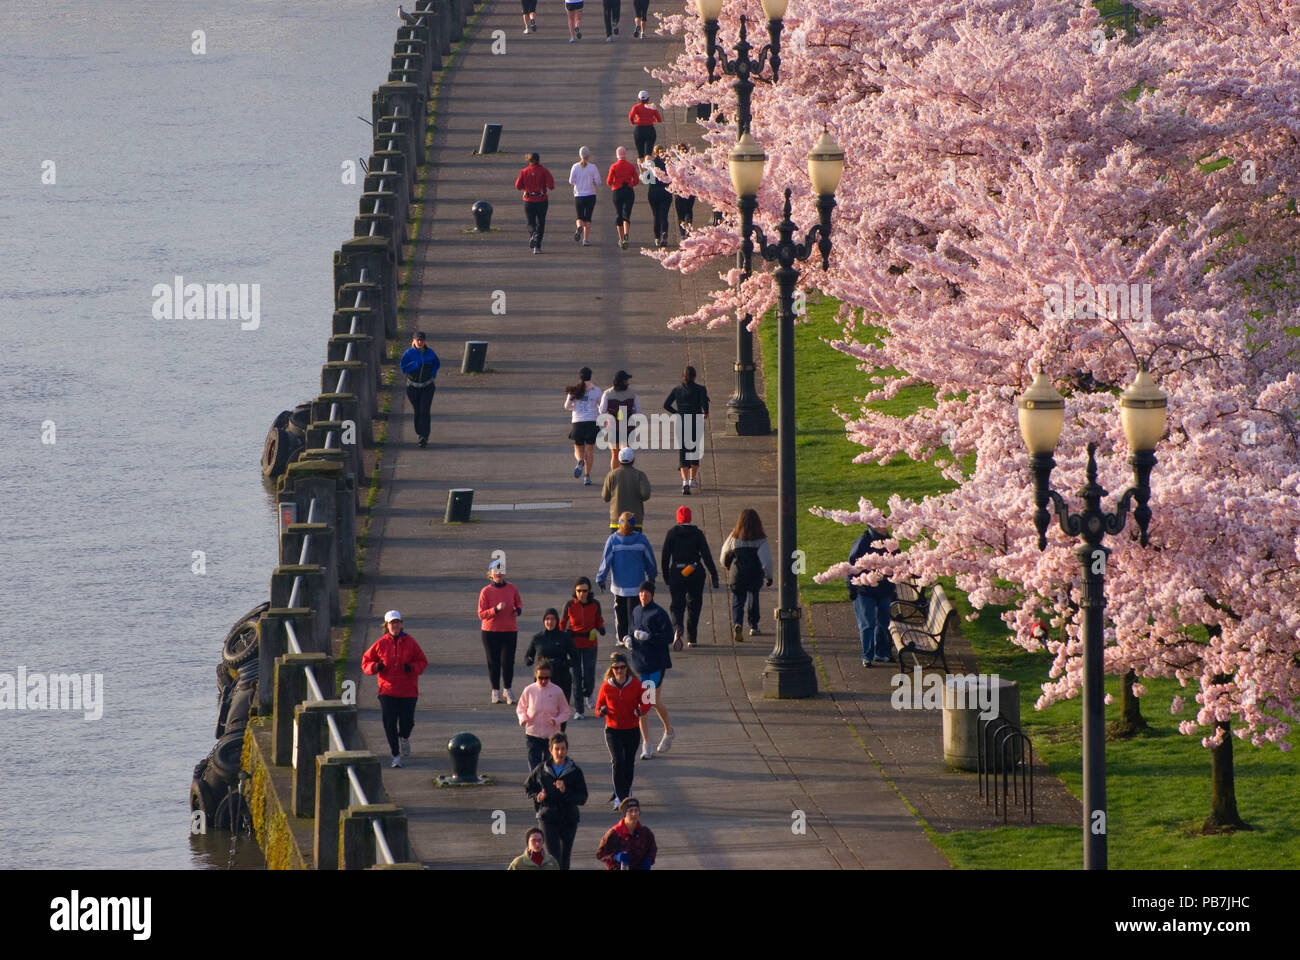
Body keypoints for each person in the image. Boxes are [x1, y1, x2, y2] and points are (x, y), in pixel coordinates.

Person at [360, 610, 429, 769]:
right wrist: (376, 666)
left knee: (407, 722)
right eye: (392, 623)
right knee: (389, 723)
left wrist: (411, 668)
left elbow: (422, 662)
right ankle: (395, 755)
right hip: (387, 691)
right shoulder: (380, 644)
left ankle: (404, 737)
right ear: (386, 626)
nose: (395, 626)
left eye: (397, 622)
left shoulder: (410, 642)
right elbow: (365, 662)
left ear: (401, 624)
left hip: (408, 691)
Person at [623, 580, 675, 758]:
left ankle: (667, 732)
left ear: (652, 594)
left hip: (656, 663)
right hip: (640, 664)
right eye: (641, 593)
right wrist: (628, 639)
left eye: (646, 593)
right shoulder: (636, 610)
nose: (643, 595)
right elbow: (632, 629)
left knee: (650, 701)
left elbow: (668, 637)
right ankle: (647, 743)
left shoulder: (659, 613)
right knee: (644, 703)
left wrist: (649, 637)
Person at [523, 732, 588, 870]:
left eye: (563, 748)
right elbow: (528, 787)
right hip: (548, 816)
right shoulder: (542, 769)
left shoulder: (575, 771)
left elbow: (582, 797)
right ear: (550, 750)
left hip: (569, 817)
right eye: (557, 749)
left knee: (565, 857)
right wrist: (538, 796)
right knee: (554, 856)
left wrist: (566, 791)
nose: (560, 752)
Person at [660, 505, 719, 647]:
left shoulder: (672, 534)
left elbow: (665, 556)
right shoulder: (698, 534)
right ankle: (692, 638)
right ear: (690, 518)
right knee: (694, 603)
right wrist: (714, 575)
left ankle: (678, 627)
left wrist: (666, 576)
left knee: (676, 605)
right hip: (695, 572)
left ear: (678, 519)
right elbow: (706, 556)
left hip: (677, 572)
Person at [596, 511, 657, 641]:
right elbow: (650, 560)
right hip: (637, 585)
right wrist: (652, 575)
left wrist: (601, 578)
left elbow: (606, 561)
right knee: (635, 614)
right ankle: (634, 636)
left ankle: (622, 638)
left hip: (619, 587)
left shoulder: (613, 540)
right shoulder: (641, 540)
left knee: (620, 614)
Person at [595, 654, 645, 809]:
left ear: (627, 668)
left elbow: (646, 702)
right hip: (613, 731)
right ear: (612, 669)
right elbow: (597, 708)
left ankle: (626, 793)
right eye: (616, 668)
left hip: (632, 730)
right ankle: (619, 797)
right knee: (618, 762)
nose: (619, 671)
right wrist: (602, 711)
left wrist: (640, 710)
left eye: (622, 667)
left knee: (629, 763)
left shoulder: (636, 684)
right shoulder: (606, 687)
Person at [719, 508, 773, 643]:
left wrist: (726, 565)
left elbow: (725, 552)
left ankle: (738, 623)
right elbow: (766, 561)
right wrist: (769, 576)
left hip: (738, 574)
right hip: (754, 574)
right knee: (753, 597)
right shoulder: (761, 540)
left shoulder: (734, 537)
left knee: (738, 600)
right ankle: (753, 625)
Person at [848, 524, 897, 667]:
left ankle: (881, 652)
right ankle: (867, 655)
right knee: (868, 623)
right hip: (864, 590)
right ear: (873, 527)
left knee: (883, 622)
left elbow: (898, 562)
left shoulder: (890, 542)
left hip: (884, 590)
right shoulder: (862, 543)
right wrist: (852, 588)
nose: (885, 527)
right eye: (881, 525)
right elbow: (851, 567)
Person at [478, 559, 523, 704]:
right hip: (490, 632)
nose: (498, 573)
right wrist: (495, 609)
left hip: (509, 631)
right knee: (493, 662)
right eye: (495, 570)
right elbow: (481, 614)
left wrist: (518, 610)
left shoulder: (512, 588)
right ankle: (495, 690)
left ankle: (507, 689)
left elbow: (518, 602)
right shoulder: (486, 591)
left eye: (501, 570)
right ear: (490, 574)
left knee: (508, 662)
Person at [560, 576, 606, 718]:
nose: (582, 594)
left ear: (589, 591)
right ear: (575, 591)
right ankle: (579, 710)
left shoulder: (595, 604)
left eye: (585, 591)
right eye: (579, 591)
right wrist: (561, 637)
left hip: (590, 644)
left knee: (589, 675)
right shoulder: (569, 605)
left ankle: (589, 692)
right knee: (576, 676)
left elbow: (599, 619)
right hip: (574, 643)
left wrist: (600, 627)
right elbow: (562, 623)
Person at [518, 660, 573, 773]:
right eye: (540, 678)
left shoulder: (557, 691)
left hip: (551, 735)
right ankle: (536, 787)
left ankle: (548, 787)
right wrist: (523, 718)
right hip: (532, 733)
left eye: (546, 678)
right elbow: (521, 708)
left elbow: (566, 711)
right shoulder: (529, 690)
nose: (543, 681)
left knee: (549, 766)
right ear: (535, 676)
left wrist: (557, 720)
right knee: (534, 766)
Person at [663, 364, 710, 493]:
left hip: (682, 422)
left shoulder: (677, 390)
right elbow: (704, 404)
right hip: (695, 421)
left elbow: (666, 404)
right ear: (694, 376)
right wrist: (705, 412)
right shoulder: (700, 389)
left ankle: (684, 481)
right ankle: (692, 479)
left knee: (683, 452)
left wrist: (677, 413)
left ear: (683, 376)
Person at [526, 609, 580, 720]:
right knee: (541, 712)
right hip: (542, 680)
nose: (550, 622)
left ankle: (560, 736)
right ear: (543, 621)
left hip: (562, 678)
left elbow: (576, 659)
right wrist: (529, 660)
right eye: (547, 619)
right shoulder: (537, 638)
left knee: (561, 713)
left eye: (552, 619)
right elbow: (528, 656)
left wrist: (563, 663)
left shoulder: (564, 637)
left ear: (557, 621)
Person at [399, 331, 440, 449]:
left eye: (422, 340)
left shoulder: (430, 353)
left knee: (425, 411)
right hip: (412, 387)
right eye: (418, 340)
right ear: (413, 341)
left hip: (428, 387)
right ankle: (419, 432)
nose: (420, 342)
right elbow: (403, 368)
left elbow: (437, 364)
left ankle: (424, 436)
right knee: (418, 411)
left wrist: (433, 373)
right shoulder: (409, 353)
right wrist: (415, 364)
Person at [565, 366, 602, 485]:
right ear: (590, 376)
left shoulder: (574, 390)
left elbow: (567, 406)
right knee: (590, 451)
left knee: (578, 448)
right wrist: (594, 406)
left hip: (578, 423)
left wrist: (574, 408)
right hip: (591, 422)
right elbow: (601, 408)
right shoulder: (596, 390)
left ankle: (580, 461)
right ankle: (587, 476)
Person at [601, 448, 651, 534]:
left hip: (616, 520)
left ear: (619, 460)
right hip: (635, 520)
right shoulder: (640, 475)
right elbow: (645, 495)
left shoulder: (611, 475)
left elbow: (605, 497)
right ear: (633, 460)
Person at [596, 797, 656, 870]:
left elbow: (652, 849)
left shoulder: (645, 832)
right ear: (625, 814)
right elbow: (601, 854)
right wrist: (616, 857)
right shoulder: (614, 833)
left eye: (636, 811)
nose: (634, 814)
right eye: (630, 811)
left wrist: (648, 860)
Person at [598, 369, 640, 470]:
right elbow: (638, 412)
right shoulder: (632, 394)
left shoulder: (607, 393)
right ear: (622, 381)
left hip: (612, 427)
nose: (627, 382)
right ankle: (627, 475)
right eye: (626, 380)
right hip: (628, 428)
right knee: (627, 454)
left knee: (615, 455)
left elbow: (602, 411)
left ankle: (615, 477)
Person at [514, 152, 555, 253]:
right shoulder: (544, 171)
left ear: (529, 160)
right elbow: (551, 186)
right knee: (541, 222)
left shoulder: (524, 171)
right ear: (539, 160)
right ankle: (538, 247)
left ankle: (533, 234)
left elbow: (518, 186)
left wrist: (526, 188)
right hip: (541, 199)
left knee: (530, 222)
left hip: (529, 200)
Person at [606, 146, 638, 250]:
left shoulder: (614, 166)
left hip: (617, 191)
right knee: (626, 214)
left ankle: (620, 239)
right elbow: (636, 180)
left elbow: (609, 182)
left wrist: (615, 182)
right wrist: (631, 184)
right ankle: (626, 234)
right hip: (628, 191)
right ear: (625, 154)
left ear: (617, 155)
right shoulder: (630, 166)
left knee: (619, 214)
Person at [568, 147, 601, 246]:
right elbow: (598, 182)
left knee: (579, 216)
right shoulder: (593, 167)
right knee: (588, 218)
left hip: (579, 195)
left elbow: (571, 181)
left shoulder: (575, 167)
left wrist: (577, 183)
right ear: (588, 155)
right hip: (590, 195)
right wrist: (593, 182)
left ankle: (579, 227)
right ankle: (585, 239)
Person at [645, 149, 673, 248]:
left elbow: (646, 179)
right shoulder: (668, 164)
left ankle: (657, 238)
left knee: (656, 215)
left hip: (653, 191)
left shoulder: (652, 164)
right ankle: (664, 232)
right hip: (666, 191)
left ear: (654, 153)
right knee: (664, 215)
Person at [672, 143, 697, 239]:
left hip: (679, 191)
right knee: (688, 211)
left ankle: (683, 232)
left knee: (681, 213)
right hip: (689, 190)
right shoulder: (691, 162)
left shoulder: (675, 162)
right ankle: (688, 229)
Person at [628, 91, 661, 158]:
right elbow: (659, 119)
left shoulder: (636, 107)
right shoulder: (652, 107)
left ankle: (641, 167)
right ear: (648, 98)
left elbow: (631, 117)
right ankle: (648, 165)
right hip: (650, 129)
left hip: (639, 130)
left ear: (639, 99)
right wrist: (652, 120)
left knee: (640, 153)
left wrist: (634, 122)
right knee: (648, 153)